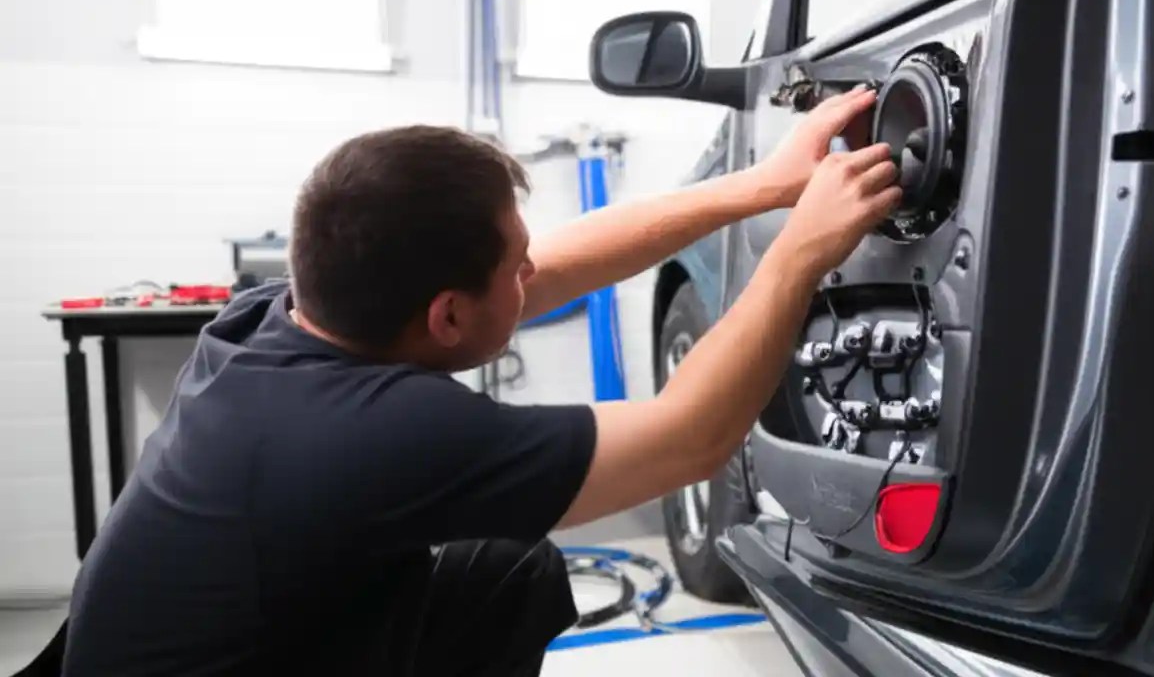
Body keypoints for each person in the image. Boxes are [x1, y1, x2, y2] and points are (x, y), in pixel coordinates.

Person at [48, 87, 899, 675]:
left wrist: (764, 187)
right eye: (515, 264)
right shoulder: (378, 430)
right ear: (449, 317)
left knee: (505, 574)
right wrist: (801, 251)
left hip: (175, 650)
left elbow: (564, 262)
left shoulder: (276, 317)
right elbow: (690, 439)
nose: (538, 268)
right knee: (504, 575)